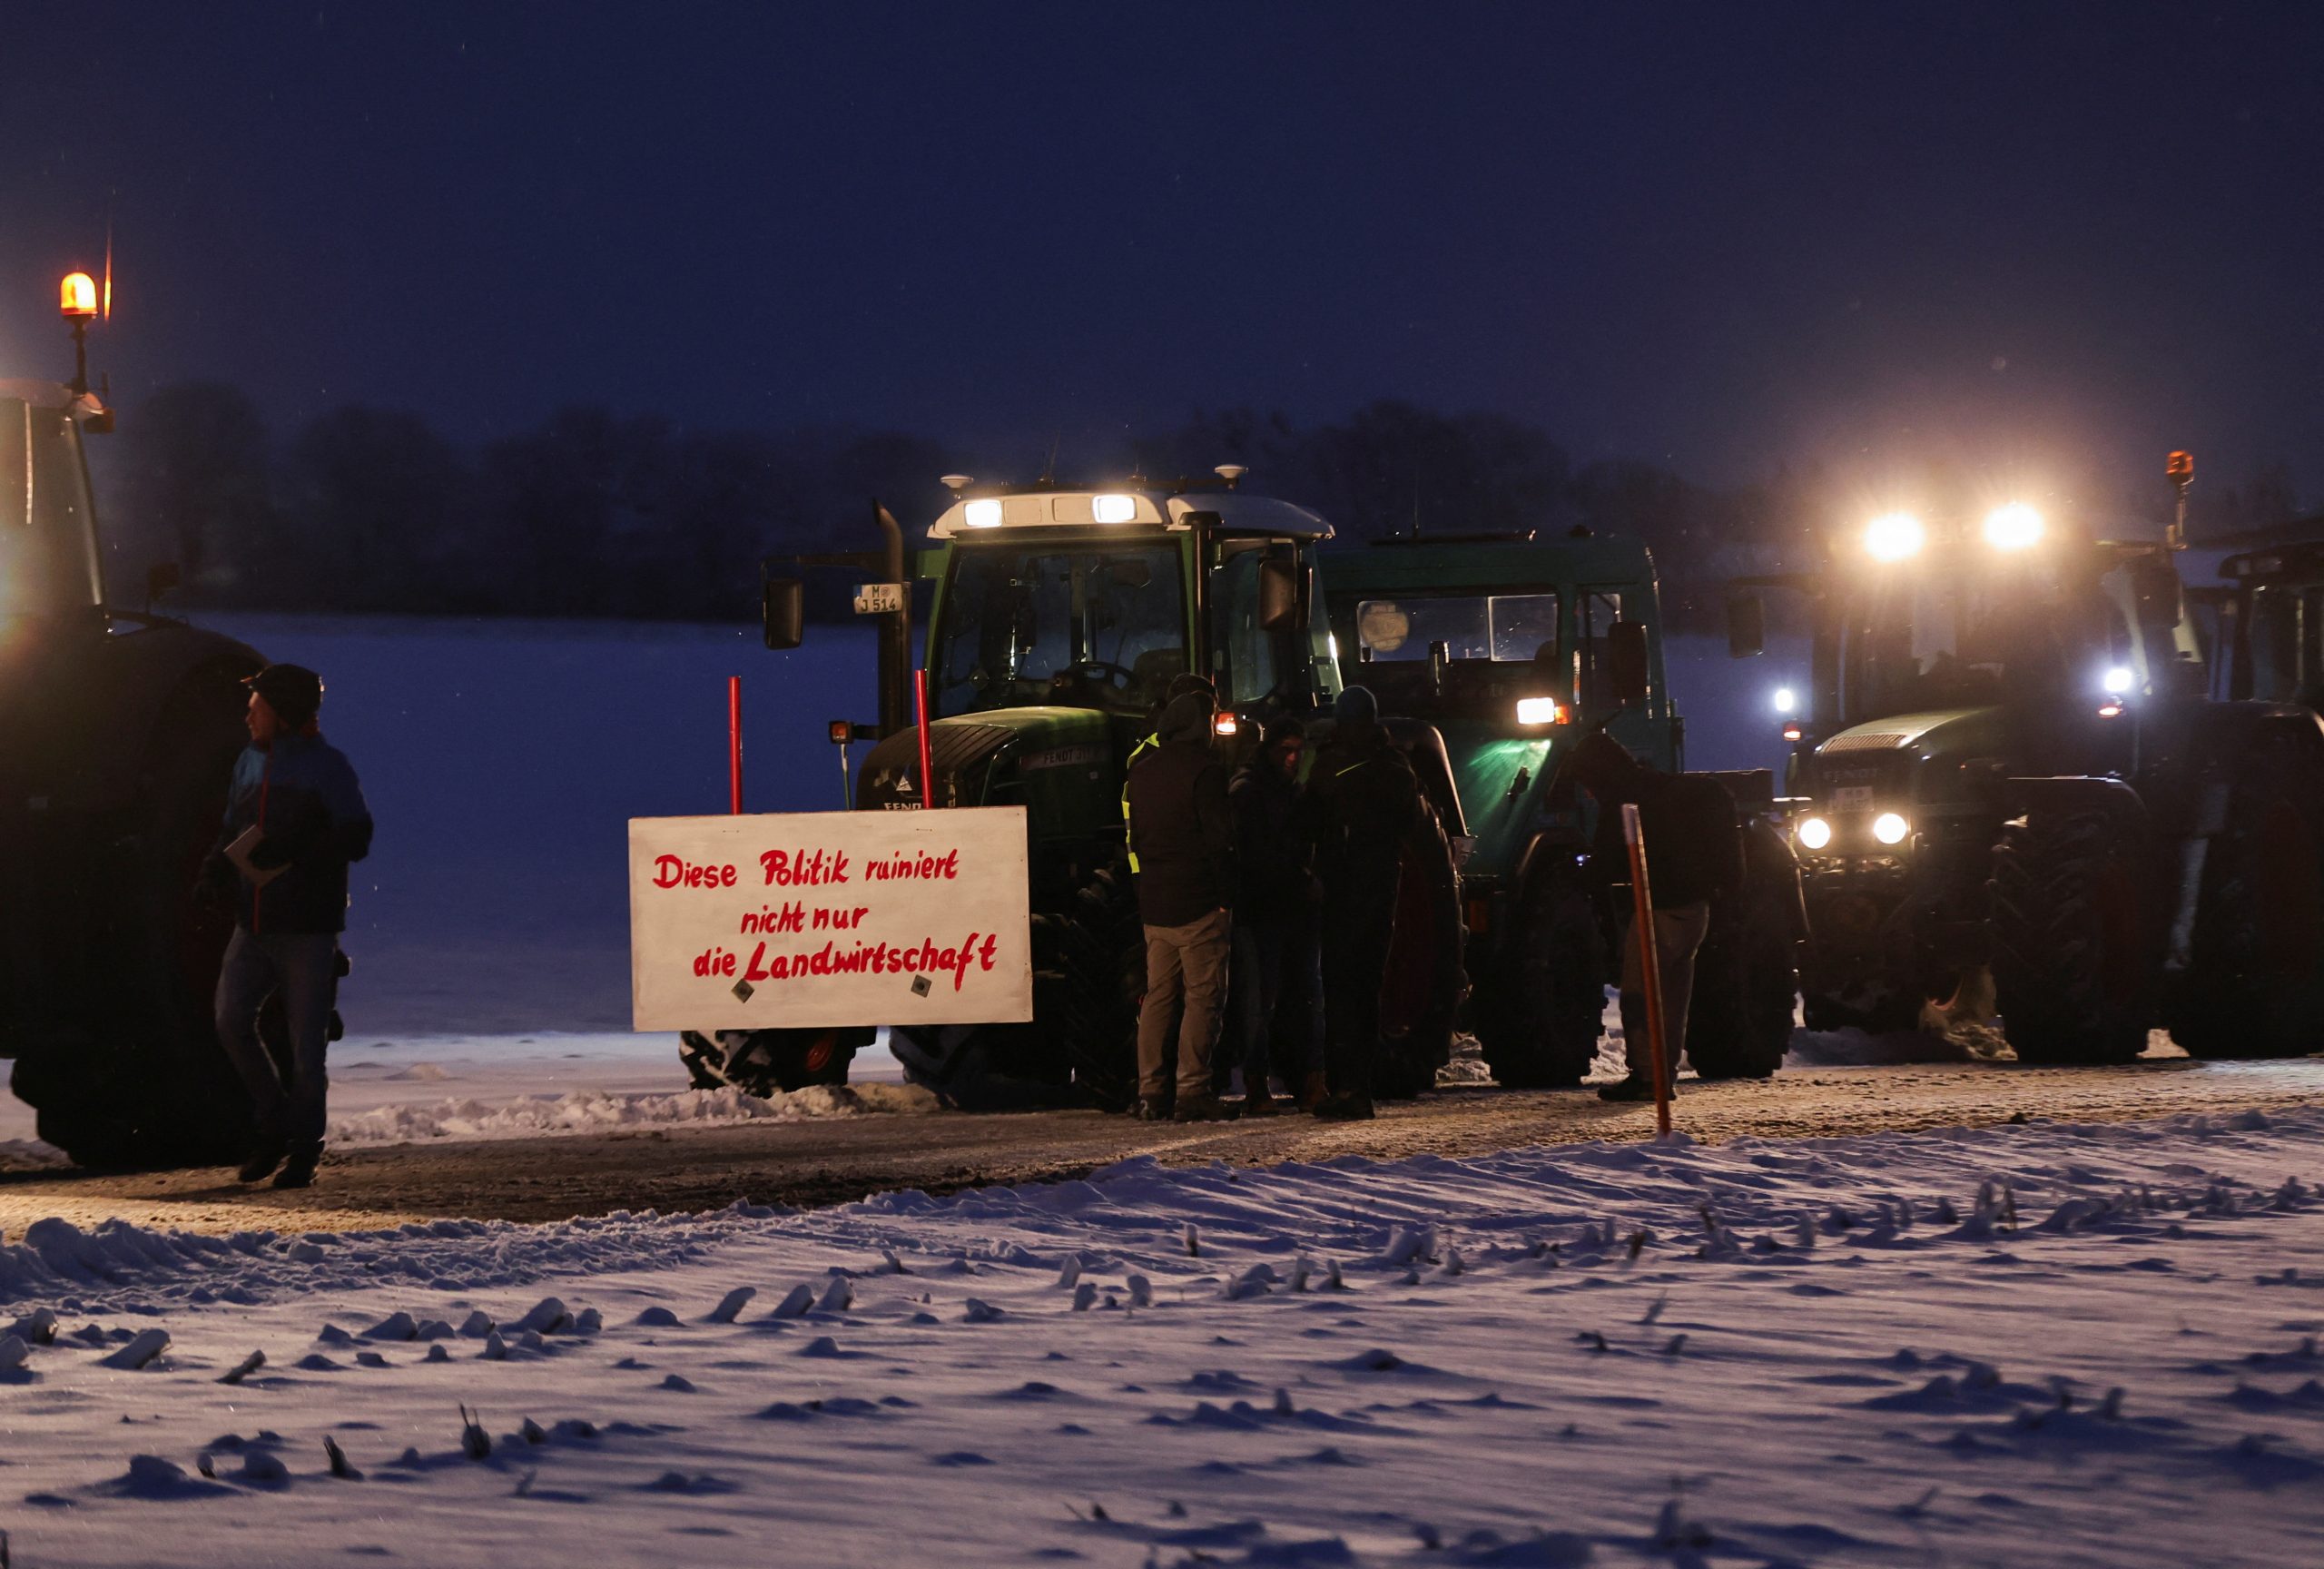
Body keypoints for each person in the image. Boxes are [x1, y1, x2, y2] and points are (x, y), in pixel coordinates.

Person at [202, 664, 374, 1188]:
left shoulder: (328, 768)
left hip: (307, 930)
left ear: (281, 712)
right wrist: (214, 868)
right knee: (231, 1022)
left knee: (306, 1049)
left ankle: (304, 1148)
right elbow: (234, 828)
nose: (247, 713)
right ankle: (276, 1125)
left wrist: (294, 852)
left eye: (256, 705)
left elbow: (357, 836)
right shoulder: (249, 762)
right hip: (253, 922)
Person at [1567, 728, 1741, 1102]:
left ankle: (1647, 1076)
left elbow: (1606, 866)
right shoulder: (1664, 787)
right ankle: (1663, 1076)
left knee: (1640, 994)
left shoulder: (1625, 804)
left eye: (1588, 782)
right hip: (1694, 909)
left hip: (1657, 912)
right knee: (1673, 996)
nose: (1588, 793)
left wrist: (1579, 873)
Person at [1306, 685, 1420, 1120]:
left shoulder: (1330, 767)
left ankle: (1343, 1087)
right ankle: (1358, 1087)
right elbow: (1407, 822)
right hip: (1379, 892)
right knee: (1366, 990)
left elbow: (1308, 822)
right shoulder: (1396, 766)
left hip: (1340, 893)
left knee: (1339, 991)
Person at [1124, 686, 1236, 1121]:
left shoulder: (1140, 771)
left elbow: (1137, 836)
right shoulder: (1205, 772)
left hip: (1155, 901)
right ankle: (1193, 1090)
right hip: (1198, 903)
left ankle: (1150, 1091)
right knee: (1203, 997)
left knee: (1157, 998)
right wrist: (1226, 897)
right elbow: (1220, 843)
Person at [1226, 717, 1327, 1114]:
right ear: (1268, 751)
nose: (1293, 757)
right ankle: (1257, 1085)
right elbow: (1256, 856)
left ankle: (1310, 1082)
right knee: (1261, 1002)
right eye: (1286, 749)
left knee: (1305, 998)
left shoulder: (1292, 793)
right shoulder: (1250, 793)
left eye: (1298, 750)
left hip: (1293, 910)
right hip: (1264, 909)